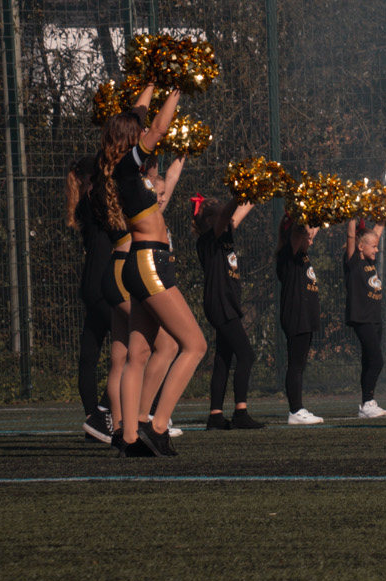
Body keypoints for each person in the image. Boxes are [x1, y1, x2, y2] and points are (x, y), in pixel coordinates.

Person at [104, 86, 206, 456]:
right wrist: (177, 88)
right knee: (194, 344)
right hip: (149, 261)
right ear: (132, 139)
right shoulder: (128, 166)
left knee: (139, 354)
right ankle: (158, 426)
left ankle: (129, 437)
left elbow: (146, 121)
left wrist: (152, 82)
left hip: (141, 262)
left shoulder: (128, 168)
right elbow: (158, 128)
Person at [193, 193, 263, 430]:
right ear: (211, 220)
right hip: (220, 303)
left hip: (226, 303)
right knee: (247, 355)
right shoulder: (209, 239)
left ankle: (215, 416)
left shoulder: (224, 234)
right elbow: (228, 214)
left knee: (224, 359)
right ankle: (241, 412)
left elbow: (237, 214)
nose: (230, 219)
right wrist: (238, 195)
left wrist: (255, 192)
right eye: (223, 215)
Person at [66, 153, 119, 443]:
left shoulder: (88, 205)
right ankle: (102, 413)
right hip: (102, 288)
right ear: (91, 180)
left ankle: (93, 421)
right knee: (132, 349)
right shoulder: (91, 201)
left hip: (93, 288)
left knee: (89, 353)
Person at [277, 216, 324, 424]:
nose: (311, 240)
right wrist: (300, 214)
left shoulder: (302, 255)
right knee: (296, 365)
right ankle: (295, 411)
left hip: (305, 316)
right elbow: (299, 231)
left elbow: (312, 230)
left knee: (300, 364)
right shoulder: (288, 255)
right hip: (295, 315)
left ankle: (298, 409)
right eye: (307, 237)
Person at [343, 219, 386, 418]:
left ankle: (366, 404)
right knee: (376, 360)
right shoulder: (354, 262)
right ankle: (368, 402)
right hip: (361, 318)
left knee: (368, 361)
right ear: (361, 247)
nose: (377, 249)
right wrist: (351, 216)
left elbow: (376, 234)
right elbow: (351, 236)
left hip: (374, 318)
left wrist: (384, 215)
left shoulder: (370, 260)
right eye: (373, 246)